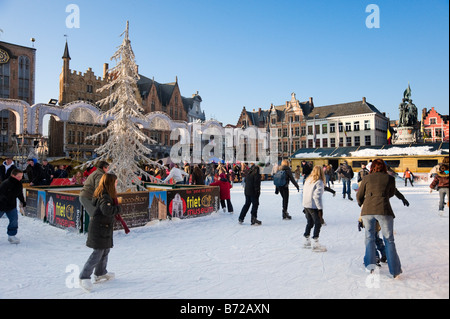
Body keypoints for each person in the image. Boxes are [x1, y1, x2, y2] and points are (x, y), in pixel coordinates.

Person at [356, 158, 402, 278]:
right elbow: (391, 193)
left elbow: (359, 195)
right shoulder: (390, 178)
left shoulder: (366, 178)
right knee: (389, 240)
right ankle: (395, 271)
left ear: (372, 168)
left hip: (368, 211)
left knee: (369, 238)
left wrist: (363, 204)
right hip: (384, 209)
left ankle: (370, 266)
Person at [79, 173, 121, 293]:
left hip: (104, 226)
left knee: (105, 250)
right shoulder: (105, 195)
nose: (117, 183)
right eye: (115, 182)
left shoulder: (105, 193)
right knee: (98, 252)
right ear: (110, 183)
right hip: (99, 227)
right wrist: (118, 208)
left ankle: (100, 273)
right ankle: (84, 276)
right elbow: (106, 210)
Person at [302, 165, 327, 252]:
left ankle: (306, 240)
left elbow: (304, 191)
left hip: (306, 204)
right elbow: (317, 197)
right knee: (318, 223)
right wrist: (320, 209)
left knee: (310, 222)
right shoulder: (318, 181)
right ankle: (315, 243)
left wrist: (304, 205)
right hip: (312, 205)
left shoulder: (308, 179)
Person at [0, 169, 26, 244]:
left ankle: (11, 236)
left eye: (21, 176)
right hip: (1, 205)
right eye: (18, 176)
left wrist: (23, 201)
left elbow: (19, 193)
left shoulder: (19, 183)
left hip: (11, 206)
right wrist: (3, 200)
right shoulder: (5, 183)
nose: (20, 178)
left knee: (14, 220)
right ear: (13, 175)